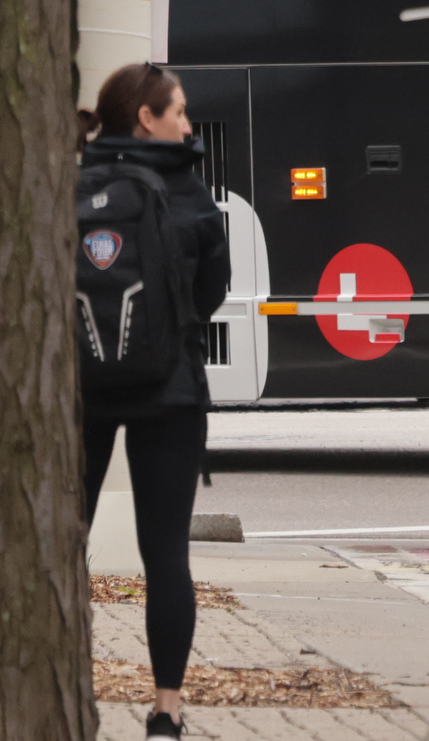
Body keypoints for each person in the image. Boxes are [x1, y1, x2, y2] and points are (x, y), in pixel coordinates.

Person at [79, 62, 230, 739]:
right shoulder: (188, 189)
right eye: (179, 111)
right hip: (170, 394)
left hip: (79, 394)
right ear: (147, 118)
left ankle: (54, 685)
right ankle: (166, 713)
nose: (188, 124)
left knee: (58, 547)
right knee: (166, 554)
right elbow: (211, 295)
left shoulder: (69, 180)